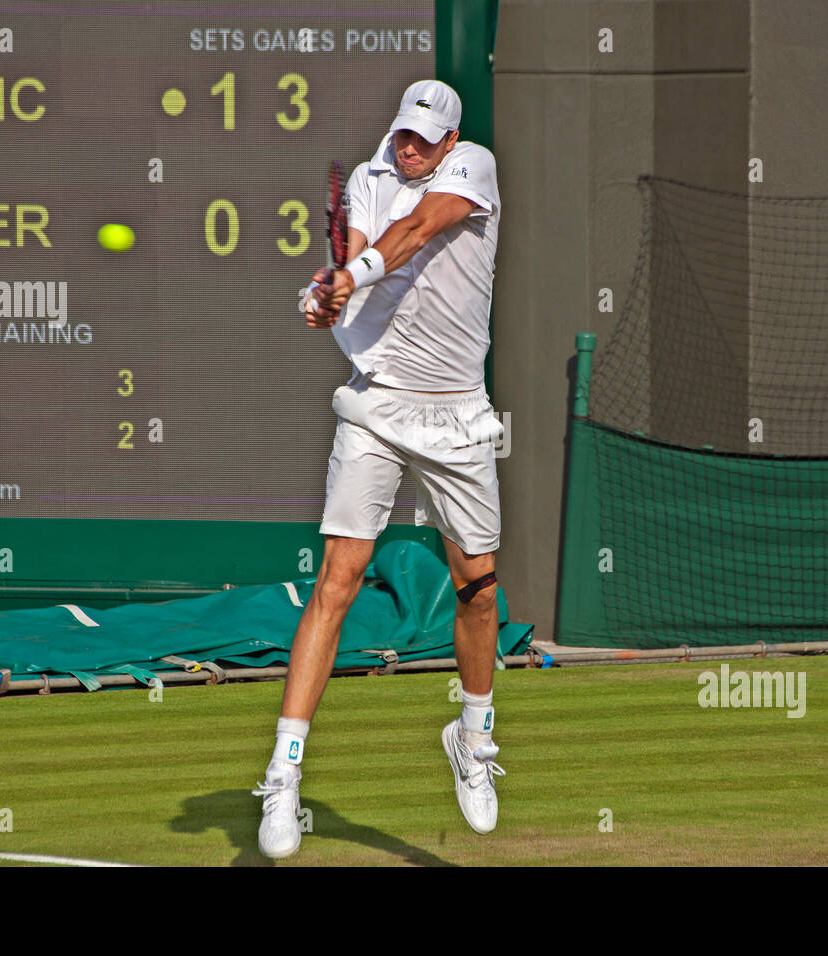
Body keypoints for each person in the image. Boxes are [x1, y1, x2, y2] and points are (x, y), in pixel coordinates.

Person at [252, 79, 504, 860]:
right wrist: (325, 299)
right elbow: (360, 265)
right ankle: (284, 776)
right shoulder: (369, 180)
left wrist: (350, 276)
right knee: (340, 577)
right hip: (379, 405)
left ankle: (473, 740)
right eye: (402, 134)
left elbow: (421, 231)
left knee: (479, 586)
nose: (409, 148)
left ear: (451, 143)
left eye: (425, 140)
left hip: (459, 410)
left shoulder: (475, 170)